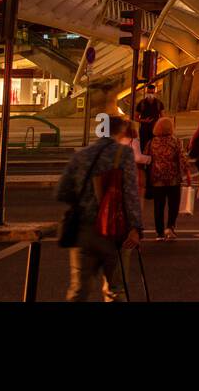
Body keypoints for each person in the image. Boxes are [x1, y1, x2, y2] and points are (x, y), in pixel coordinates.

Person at [56, 118, 143, 301]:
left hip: (83, 230)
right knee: (116, 288)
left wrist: (85, 198)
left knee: (79, 289)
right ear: (120, 132)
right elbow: (130, 193)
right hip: (115, 230)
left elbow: (62, 191)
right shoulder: (123, 154)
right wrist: (136, 227)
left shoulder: (81, 155)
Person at [147, 117, 191, 239]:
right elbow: (182, 158)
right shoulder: (175, 141)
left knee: (158, 206)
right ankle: (170, 227)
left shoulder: (152, 142)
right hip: (173, 178)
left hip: (157, 178)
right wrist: (187, 173)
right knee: (173, 205)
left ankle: (159, 232)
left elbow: (147, 159)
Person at [134, 85, 164, 169]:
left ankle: (154, 166)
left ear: (155, 92)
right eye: (149, 92)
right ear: (146, 92)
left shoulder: (159, 103)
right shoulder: (141, 103)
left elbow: (162, 116)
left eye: (152, 92)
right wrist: (144, 121)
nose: (150, 94)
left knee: (155, 148)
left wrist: (159, 124)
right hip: (144, 130)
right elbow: (135, 117)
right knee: (144, 148)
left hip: (156, 131)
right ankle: (144, 166)